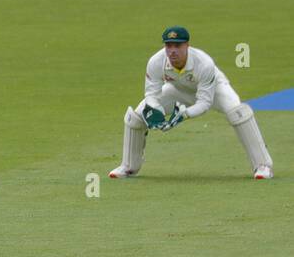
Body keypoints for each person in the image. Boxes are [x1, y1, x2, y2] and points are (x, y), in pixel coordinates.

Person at [111, 28, 273, 180]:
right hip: (176, 91)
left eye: (177, 45)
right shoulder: (156, 61)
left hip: (213, 91)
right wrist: (156, 112)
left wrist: (184, 114)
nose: (172, 50)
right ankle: (129, 166)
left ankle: (263, 165)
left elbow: (204, 103)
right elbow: (151, 95)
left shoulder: (204, 63)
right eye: (168, 45)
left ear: (187, 45)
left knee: (238, 113)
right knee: (136, 117)